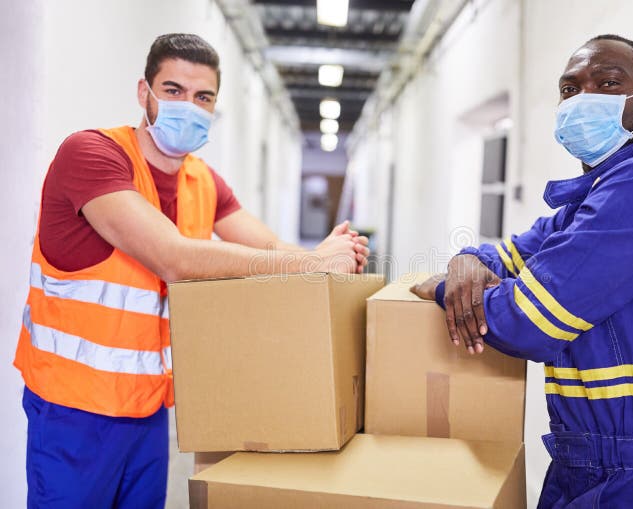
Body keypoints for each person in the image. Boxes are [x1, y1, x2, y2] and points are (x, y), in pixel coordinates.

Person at [14, 33, 369, 508]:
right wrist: (311, 261)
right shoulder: (92, 156)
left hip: (150, 411)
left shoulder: (202, 181)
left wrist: (330, 253)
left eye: (203, 97)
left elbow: (271, 248)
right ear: (145, 93)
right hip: (74, 412)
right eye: (174, 90)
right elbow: (175, 258)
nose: (189, 105)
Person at [412, 34, 633, 507]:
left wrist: (442, 288)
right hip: (582, 467)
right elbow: (503, 256)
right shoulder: (584, 205)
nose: (583, 99)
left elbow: (529, 322)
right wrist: (465, 261)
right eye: (570, 88)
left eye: (607, 83)